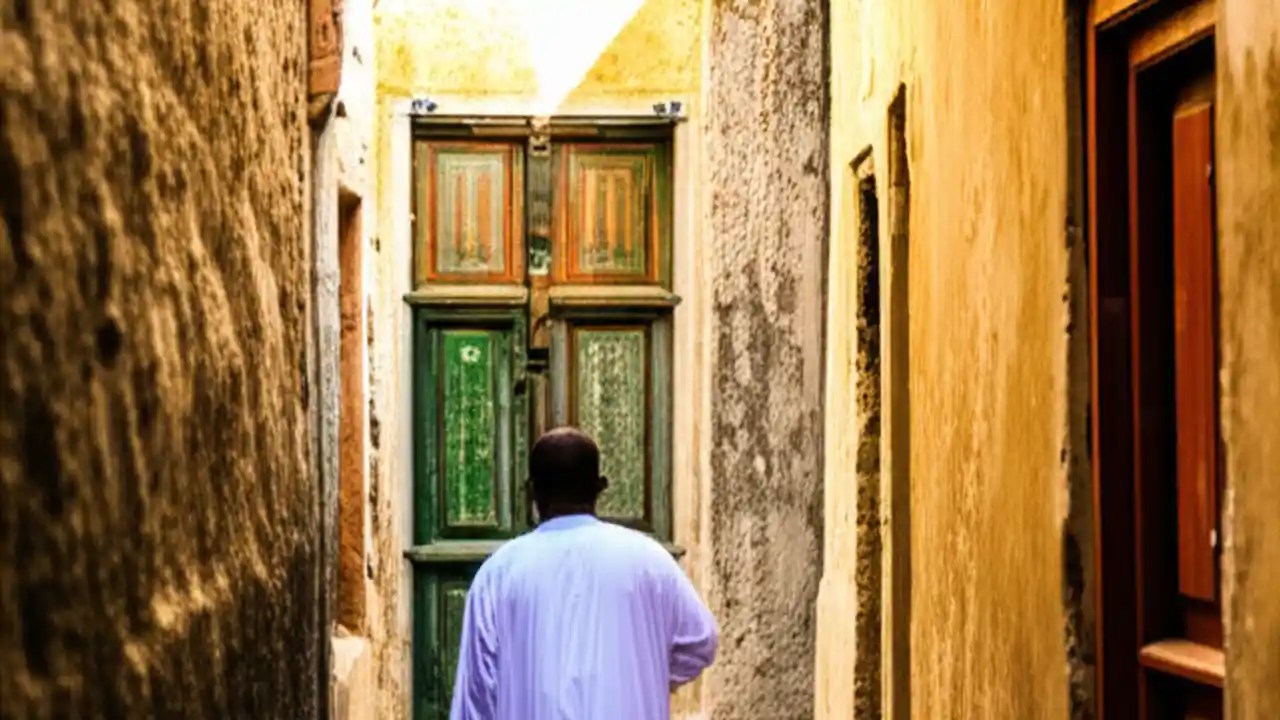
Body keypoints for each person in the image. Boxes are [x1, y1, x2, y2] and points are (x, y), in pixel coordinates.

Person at [450, 427, 718, 719]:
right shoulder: (651, 562)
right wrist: (645, 673)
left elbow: (477, 695)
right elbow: (700, 640)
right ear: (600, 486)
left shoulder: (497, 574)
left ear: (532, 490)